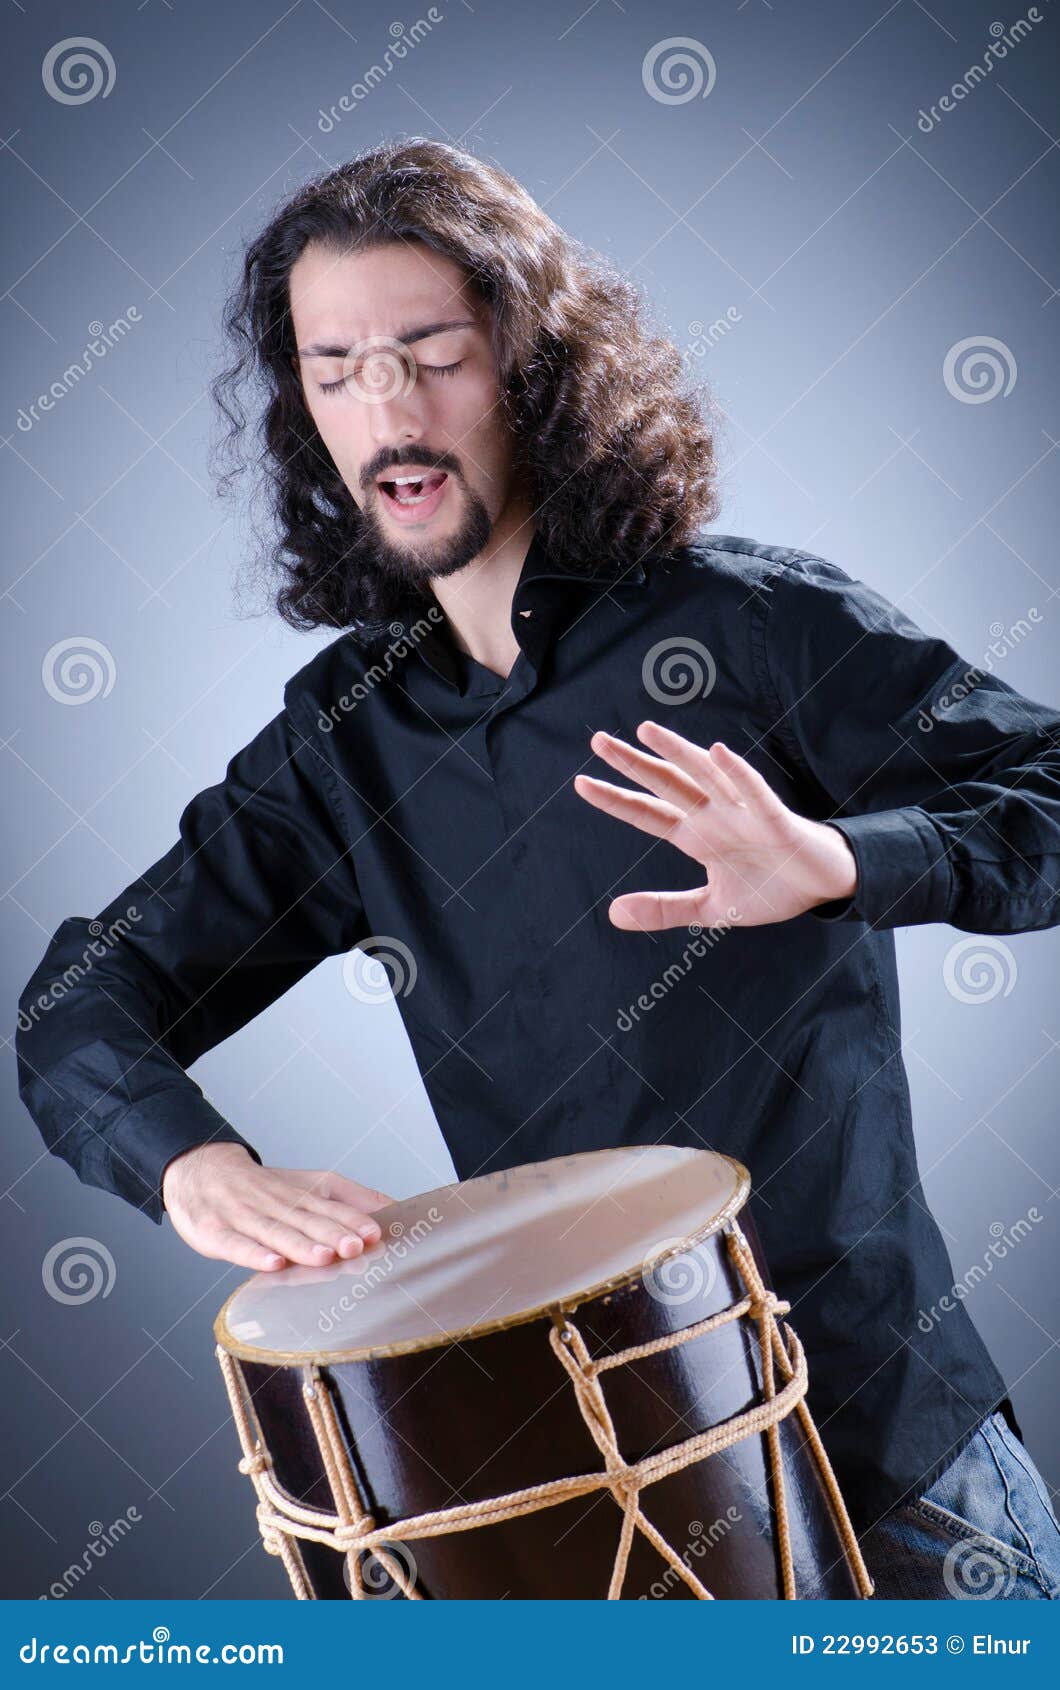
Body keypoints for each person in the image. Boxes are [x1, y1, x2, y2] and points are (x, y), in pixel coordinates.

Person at [15, 139, 1060, 1599]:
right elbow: (81, 997)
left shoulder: (750, 624)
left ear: (534, 366)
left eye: (430, 353)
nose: (385, 406)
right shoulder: (345, 738)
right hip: (583, 1506)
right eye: (336, 368)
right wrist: (187, 1162)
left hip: (900, 1474)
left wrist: (837, 859)